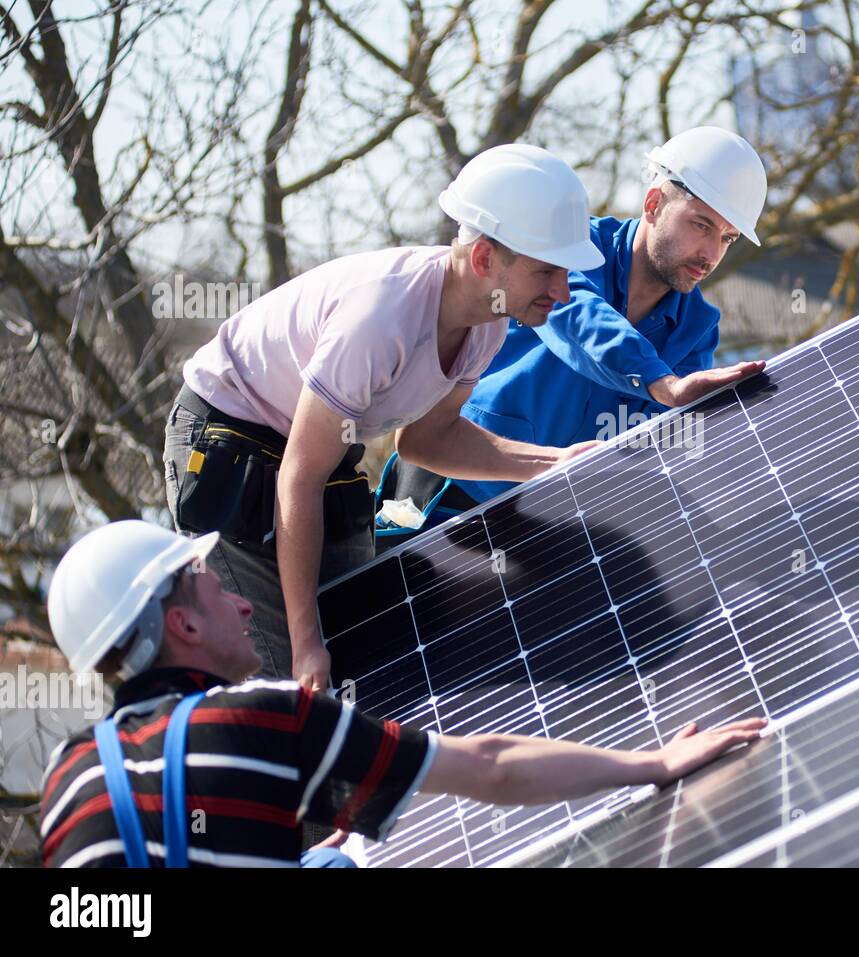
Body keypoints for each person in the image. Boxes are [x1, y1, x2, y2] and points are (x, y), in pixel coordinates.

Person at [38, 520, 767, 868]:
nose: (245, 603)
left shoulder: (66, 777)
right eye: (214, 584)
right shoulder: (261, 718)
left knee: (336, 857)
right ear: (183, 622)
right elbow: (493, 767)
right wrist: (656, 764)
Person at [166, 144, 606, 692]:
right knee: (293, 679)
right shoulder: (381, 318)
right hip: (230, 443)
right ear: (484, 259)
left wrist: (553, 463)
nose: (561, 291)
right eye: (546, 271)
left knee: (360, 645)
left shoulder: (487, 320)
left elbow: (427, 439)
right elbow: (299, 477)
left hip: (316, 453)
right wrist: (305, 646)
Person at [378, 127, 770, 535]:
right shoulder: (570, 248)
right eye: (701, 226)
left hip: (551, 521)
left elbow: (657, 446)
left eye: (727, 238)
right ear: (653, 204)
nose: (710, 255)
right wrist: (662, 383)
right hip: (449, 486)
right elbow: (574, 314)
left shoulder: (698, 329)